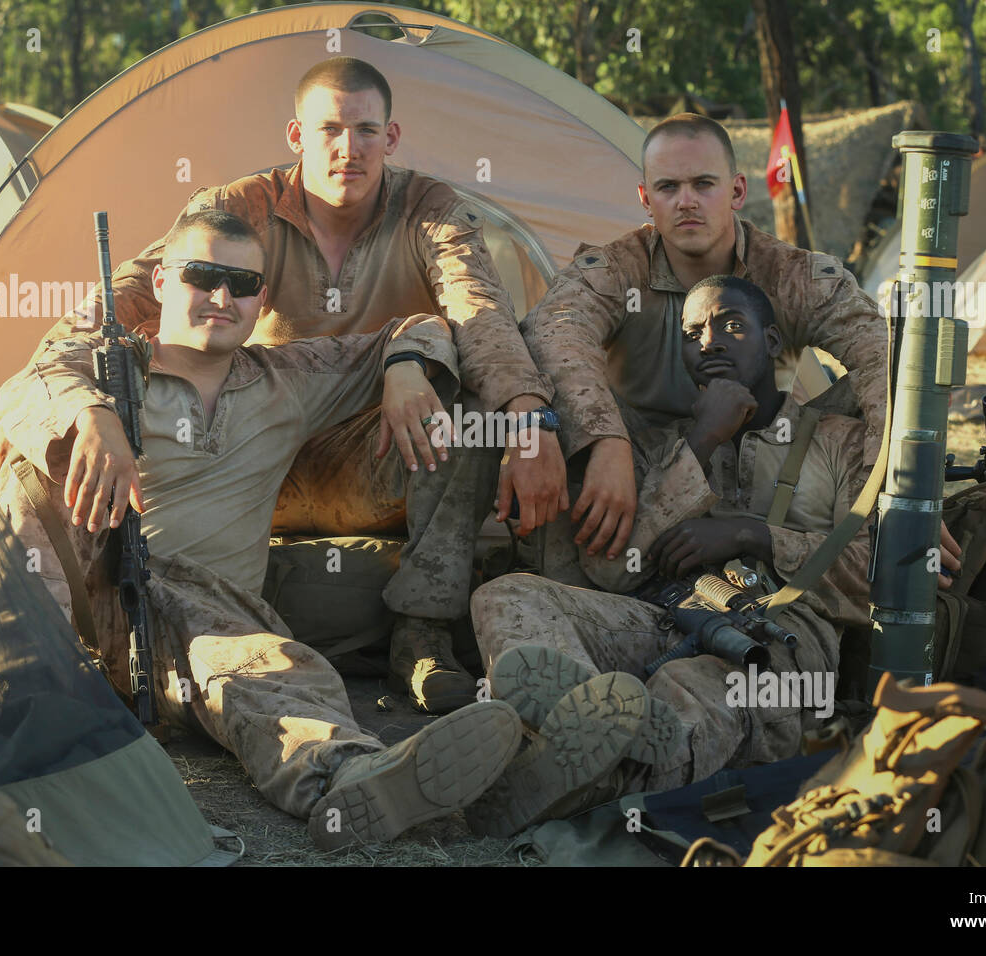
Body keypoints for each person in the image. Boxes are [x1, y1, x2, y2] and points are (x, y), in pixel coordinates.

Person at [0, 209, 522, 850]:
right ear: (159, 283)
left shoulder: (284, 379)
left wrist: (404, 365)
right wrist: (91, 415)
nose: (221, 297)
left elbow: (418, 326)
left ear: (261, 299)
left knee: (384, 580)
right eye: (202, 276)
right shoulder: (106, 366)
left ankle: (531, 703)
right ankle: (344, 772)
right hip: (123, 614)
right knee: (249, 662)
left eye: (241, 284)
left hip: (245, 593)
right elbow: (24, 388)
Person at [44, 56, 568, 714]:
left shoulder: (430, 209)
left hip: (372, 450)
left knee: (463, 409)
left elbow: (478, 312)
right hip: (248, 451)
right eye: (329, 130)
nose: (348, 148)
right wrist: (74, 398)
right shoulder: (237, 209)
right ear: (296, 137)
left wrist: (524, 418)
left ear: (392, 138)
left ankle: (423, 631)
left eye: (366, 131)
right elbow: (115, 302)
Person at [466, 276, 874, 836]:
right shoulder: (666, 447)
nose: (709, 343)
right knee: (508, 595)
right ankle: (579, 729)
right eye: (692, 333)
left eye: (731, 325)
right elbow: (611, 568)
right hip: (667, 615)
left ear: (774, 342)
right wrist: (701, 441)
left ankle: (562, 772)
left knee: (693, 691)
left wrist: (751, 535)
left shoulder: (841, 440)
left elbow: (877, 571)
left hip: (776, 641)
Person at [519, 112, 894, 569]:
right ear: (645, 198)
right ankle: (562, 584)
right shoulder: (615, 272)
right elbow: (556, 333)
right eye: (668, 188)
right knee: (521, 403)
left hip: (762, 448)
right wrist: (605, 441)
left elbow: (880, 352)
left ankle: (864, 533)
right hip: (638, 462)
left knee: (897, 375)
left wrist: (901, 489)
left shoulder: (793, 276)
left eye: (703, 185)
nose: (686, 203)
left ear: (737, 191)